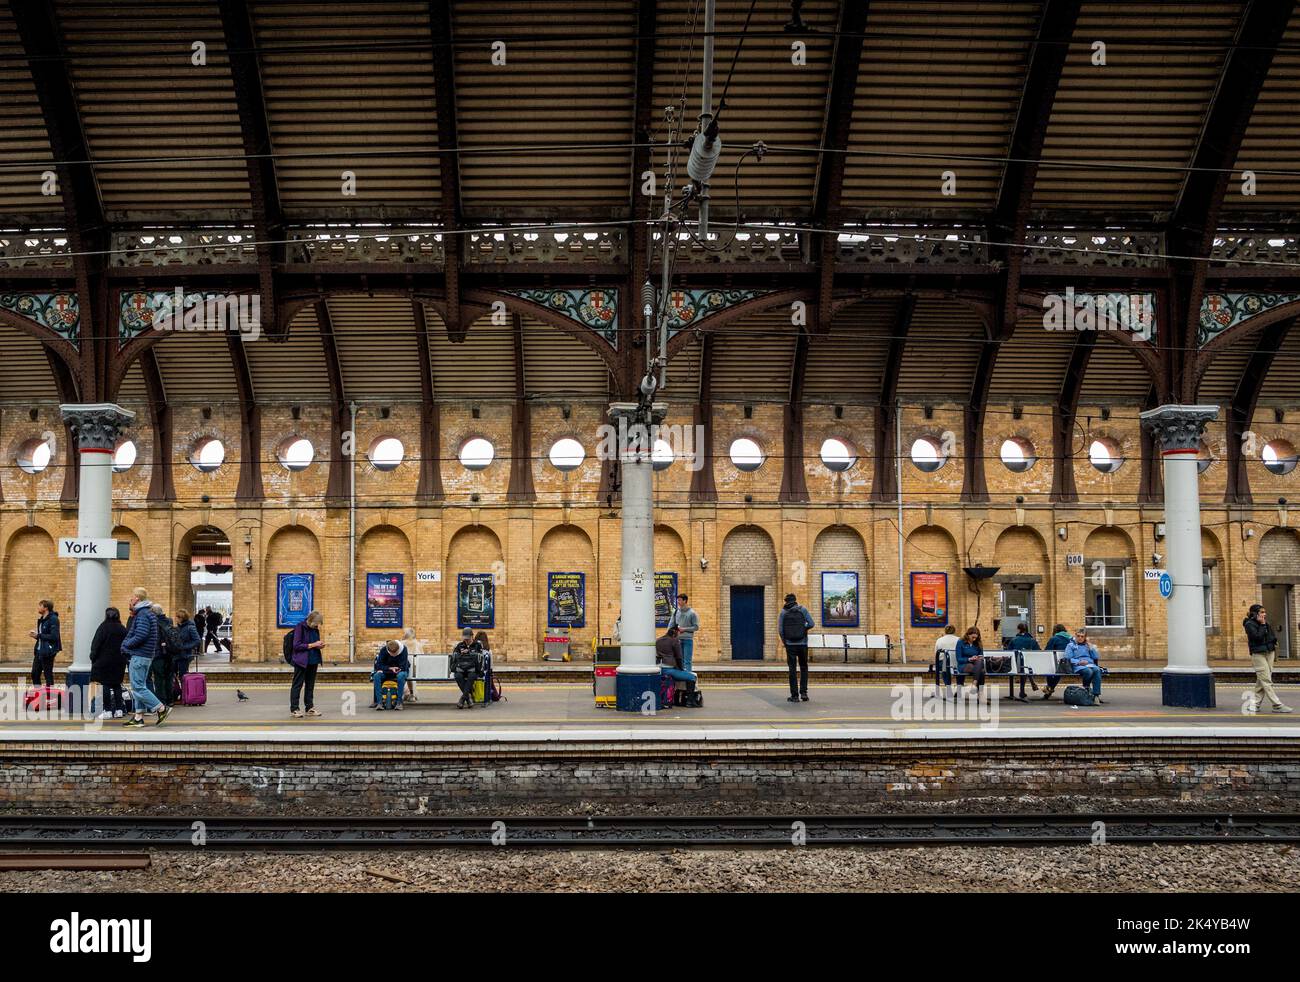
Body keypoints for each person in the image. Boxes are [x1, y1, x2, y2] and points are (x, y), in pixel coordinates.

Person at [121, 588, 168, 727]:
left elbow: (141, 635)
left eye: (131, 598)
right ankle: (138, 717)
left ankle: (161, 708)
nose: (130, 600)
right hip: (146, 655)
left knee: (138, 688)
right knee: (139, 686)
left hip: (140, 655)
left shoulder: (142, 614)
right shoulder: (148, 613)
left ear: (136, 598)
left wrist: (126, 645)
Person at [1243, 603, 1294, 713]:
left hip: (1269, 653)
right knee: (1266, 680)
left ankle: (1255, 705)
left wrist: (1272, 645)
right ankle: (1277, 705)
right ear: (1254, 614)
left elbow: (1271, 636)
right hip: (1258, 654)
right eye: (1262, 612)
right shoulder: (1249, 624)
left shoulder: (1265, 623)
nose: (1264, 614)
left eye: (1265, 612)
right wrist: (1262, 625)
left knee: (1262, 679)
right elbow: (1257, 637)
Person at [90, 607, 128, 720]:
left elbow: (96, 643)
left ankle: (107, 710)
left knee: (105, 684)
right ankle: (119, 710)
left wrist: (93, 656)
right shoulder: (122, 629)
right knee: (117, 684)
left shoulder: (103, 627)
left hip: (104, 661)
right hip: (119, 661)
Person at [778, 593, 814, 703]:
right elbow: (811, 624)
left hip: (790, 645)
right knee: (803, 667)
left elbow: (781, 630)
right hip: (802, 644)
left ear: (786, 601)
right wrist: (803, 629)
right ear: (795, 600)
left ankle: (794, 696)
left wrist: (785, 642)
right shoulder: (803, 610)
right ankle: (804, 693)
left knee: (792, 669)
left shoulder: (783, 612)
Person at [290, 610, 325, 718]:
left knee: (310, 686)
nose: (317, 625)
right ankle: (294, 709)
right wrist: (313, 644)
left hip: (313, 660)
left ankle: (309, 708)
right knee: (297, 685)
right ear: (311, 620)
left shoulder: (315, 629)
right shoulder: (300, 627)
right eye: (316, 623)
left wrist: (319, 645)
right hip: (301, 661)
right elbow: (296, 645)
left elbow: (314, 644)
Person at [656, 626, 698, 704]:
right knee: (692, 677)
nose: (679, 635)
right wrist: (681, 669)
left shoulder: (658, 640)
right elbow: (679, 657)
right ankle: (690, 701)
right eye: (679, 633)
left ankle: (675, 699)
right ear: (675, 633)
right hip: (669, 670)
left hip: (658, 669)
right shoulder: (674, 641)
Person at [28, 599, 62, 689]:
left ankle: (50, 696)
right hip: (39, 651)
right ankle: (38, 692)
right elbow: (42, 637)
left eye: (40, 606)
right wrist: (35, 636)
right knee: (34, 673)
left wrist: (38, 635)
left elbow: (54, 636)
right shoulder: (42, 620)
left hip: (48, 651)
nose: (38, 608)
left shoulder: (54, 619)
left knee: (48, 675)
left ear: (46, 608)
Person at [1065, 627, 1104, 703]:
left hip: (1090, 664)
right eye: (1078, 636)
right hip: (1078, 666)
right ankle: (1086, 689)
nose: (1080, 638)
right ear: (1075, 636)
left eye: (1082, 636)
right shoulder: (1070, 645)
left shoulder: (1087, 645)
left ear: (1085, 637)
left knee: (1097, 670)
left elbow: (1095, 657)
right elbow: (1068, 658)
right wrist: (1079, 662)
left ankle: (1096, 695)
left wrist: (1091, 648)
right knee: (1088, 671)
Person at [371, 639, 410, 711]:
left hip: (400, 671)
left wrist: (395, 669)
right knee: (376, 676)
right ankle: (379, 702)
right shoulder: (383, 650)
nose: (393, 655)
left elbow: (404, 667)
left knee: (401, 676)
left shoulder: (404, 649)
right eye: (391, 653)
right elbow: (379, 665)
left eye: (395, 653)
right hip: (387, 671)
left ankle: (399, 702)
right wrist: (390, 668)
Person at [451, 628, 484, 709]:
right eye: (465, 639)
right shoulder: (460, 645)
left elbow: (481, 656)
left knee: (472, 676)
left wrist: (470, 653)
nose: (466, 641)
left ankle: (463, 699)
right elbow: (454, 656)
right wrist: (460, 653)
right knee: (457, 676)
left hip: (473, 668)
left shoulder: (478, 645)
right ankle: (468, 697)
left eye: (468, 639)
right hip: (462, 668)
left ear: (472, 636)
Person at [1007, 622, 1040, 702]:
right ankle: (1026, 688)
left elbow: (1008, 652)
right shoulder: (1032, 640)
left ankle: (1023, 691)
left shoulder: (1014, 640)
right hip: (1030, 666)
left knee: (1023, 665)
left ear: (1019, 630)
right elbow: (1038, 651)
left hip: (1015, 665)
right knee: (1026, 665)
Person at [149, 604, 175, 705]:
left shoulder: (154, 623)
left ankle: (161, 701)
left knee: (159, 678)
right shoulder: (169, 621)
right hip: (170, 654)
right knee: (169, 677)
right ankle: (170, 700)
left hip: (158, 654)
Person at [1040, 623, 1072, 699]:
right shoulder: (1071, 639)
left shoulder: (1054, 639)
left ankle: (1049, 688)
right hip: (1069, 664)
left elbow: (1047, 651)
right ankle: (1050, 688)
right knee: (1058, 672)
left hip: (1056, 664)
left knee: (1050, 670)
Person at [670, 594, 700, 672]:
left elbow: (696, 627)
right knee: (679, 660)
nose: (678, 602)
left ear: (685, 601)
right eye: (678, 600)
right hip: (677, 640)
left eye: (680, 600)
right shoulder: (676, 612)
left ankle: (688, 680)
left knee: (687, 661)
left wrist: (684, 629)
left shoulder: (692, 613)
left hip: (687, 640)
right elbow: (671, 625)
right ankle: (681, 678)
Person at [955, 626, 986, 693]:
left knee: (980, 664)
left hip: (977, 664)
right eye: (973, 637)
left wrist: (978, 658)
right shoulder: (961, 642)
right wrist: (969, 659)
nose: (974, 639)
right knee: (981, 671)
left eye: (976, 637)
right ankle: (980, 694)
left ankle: (974, 684)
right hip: (964, 665)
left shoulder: (978, 643)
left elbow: (981, 656)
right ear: (968, 635)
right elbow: (959, 659)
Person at [173, 609, 201, 682]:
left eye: (177, 617)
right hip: (175, 654)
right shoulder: (177, 627)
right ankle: (176, 691)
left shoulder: (190, 627)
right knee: (172, 675)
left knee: (183, 676)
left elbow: (197, 640)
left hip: (184, 655)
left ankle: (185, 692)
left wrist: (184, 646)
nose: (175, 619)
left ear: (181, 618)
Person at [933, 625, 959, 697]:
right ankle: (959, 687)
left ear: (945, 631)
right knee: (959, 671)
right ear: (954, 631)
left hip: (944, 663)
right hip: (956, 663)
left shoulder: (939, 640)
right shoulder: (959, 640)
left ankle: (948, 687)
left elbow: (936, 654)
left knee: (944, 666)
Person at [402, 627, 422, 703]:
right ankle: (412, 694)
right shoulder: (418, 644)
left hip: (405, 666)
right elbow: (422, 655)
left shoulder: (402, 643)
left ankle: (407, 694)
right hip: (416, 667)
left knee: (407, 673)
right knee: (412, 674)